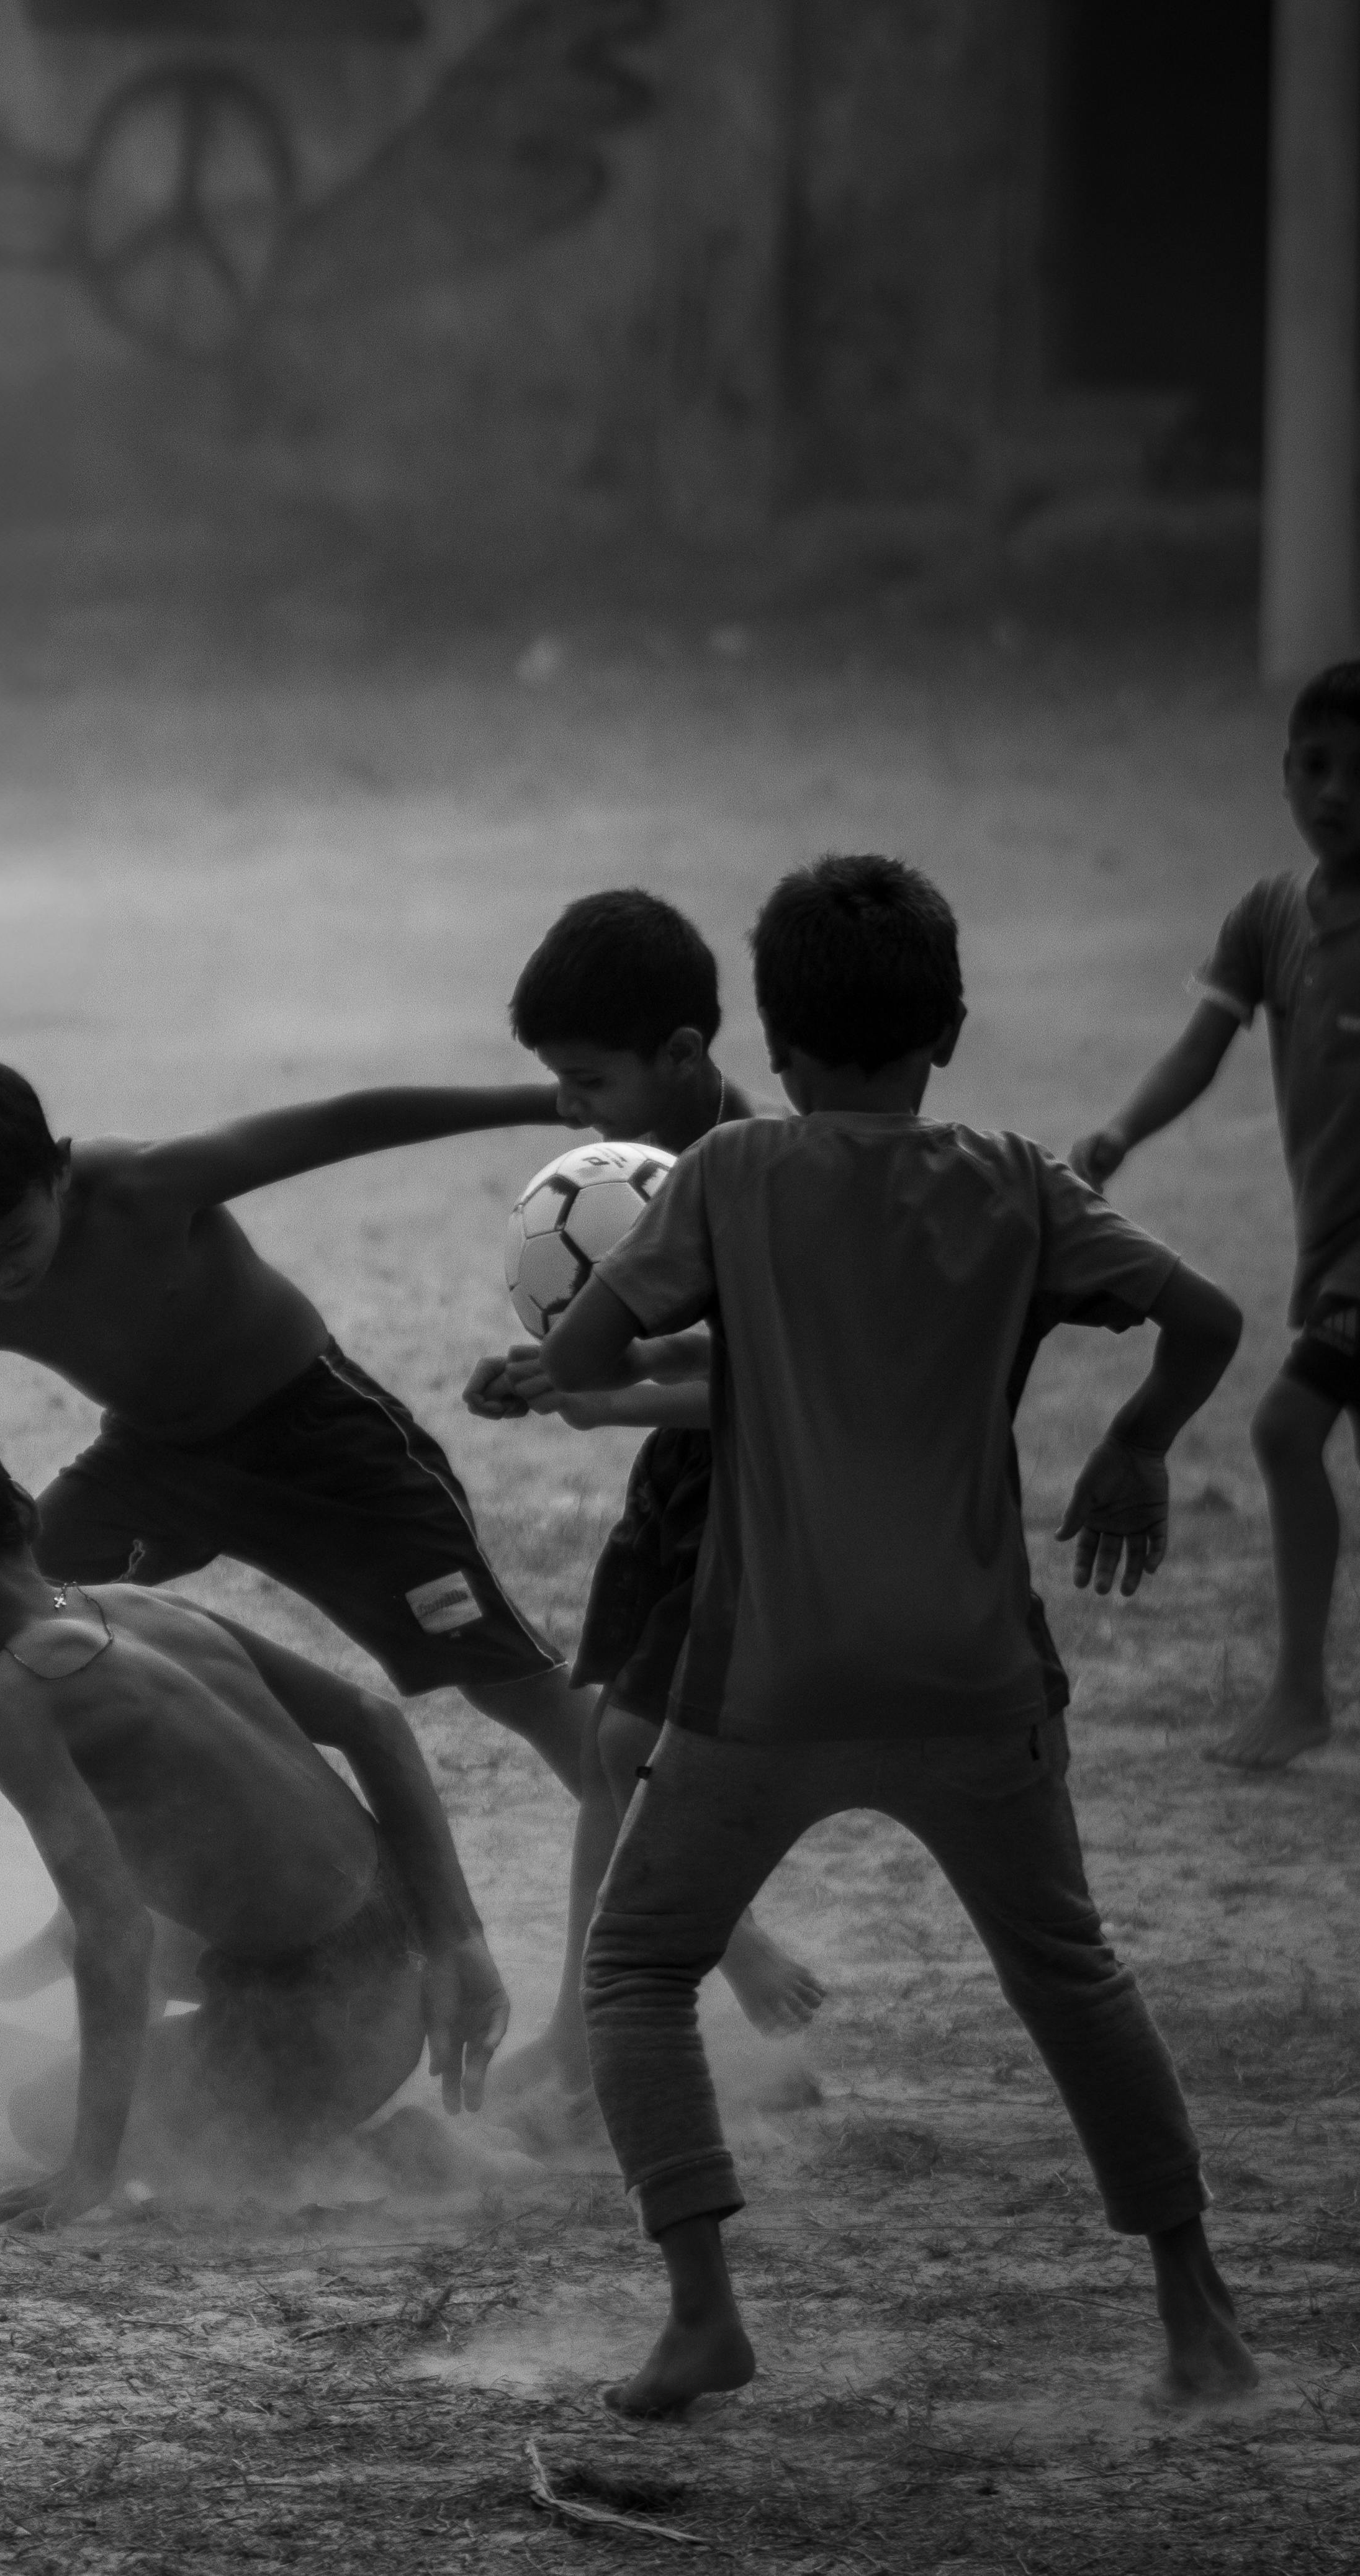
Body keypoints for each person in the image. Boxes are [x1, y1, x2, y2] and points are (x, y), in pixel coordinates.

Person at [547, 853, 1255, 2418]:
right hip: (971, 1675)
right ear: (949, 1025)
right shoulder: (1015, 1177)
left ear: (778, 1048)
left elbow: (589, 1350)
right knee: (1071, 1974)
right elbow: (1205, 1316)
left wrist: (657, 1295)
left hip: (765, 1685)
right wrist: (1134, 1443)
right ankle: (1197, 2320)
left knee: (640, 1967)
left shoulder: (728, 1174)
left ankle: (703, 2317)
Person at [0, 1056, 615, 2085]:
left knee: (520, 1690)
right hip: (154, 1465)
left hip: (321, 1444)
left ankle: (673, 1924)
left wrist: (548, 1103)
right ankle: (109, 1904)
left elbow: (348, 1119)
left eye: (11, 1243)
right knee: (8, 1611)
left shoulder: (145, 1185)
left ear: (57, 1175)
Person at [0, 1401, 511, 2220]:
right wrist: (455, 1936)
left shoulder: (12, 1703)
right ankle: (143, 2069)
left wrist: (86, 2169)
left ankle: (381, 2152)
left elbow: (118, 1934)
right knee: (93, 1988)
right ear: (23, 1514)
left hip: (335, 2025)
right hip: (396, 1945)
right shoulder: (138, 1609)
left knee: (34, 2110)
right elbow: (374, 1725)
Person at [461, 891, 824, 2055]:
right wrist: (562, 1370)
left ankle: (650, 2001)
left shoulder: (760, 1171)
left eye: (589, 1083)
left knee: (631, 1749)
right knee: (614, 1739)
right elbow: (675, 1351)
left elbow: (770, 1392)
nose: (566, 1110)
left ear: (681, 1054)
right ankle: (579, 2031)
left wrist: (602, 1398)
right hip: (675, 1487)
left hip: (748, 1500)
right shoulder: (641, 1168)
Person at [1074, 659, 1360, 1769]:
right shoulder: (1271, 915)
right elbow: (1198, 1050)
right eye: (1316, 766)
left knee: (1285, 1426)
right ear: (1284, 773)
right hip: (1330, 1244)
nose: (1335, 792)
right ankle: (1302, 1693)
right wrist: (1116, 1137)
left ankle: (1297, 1693)